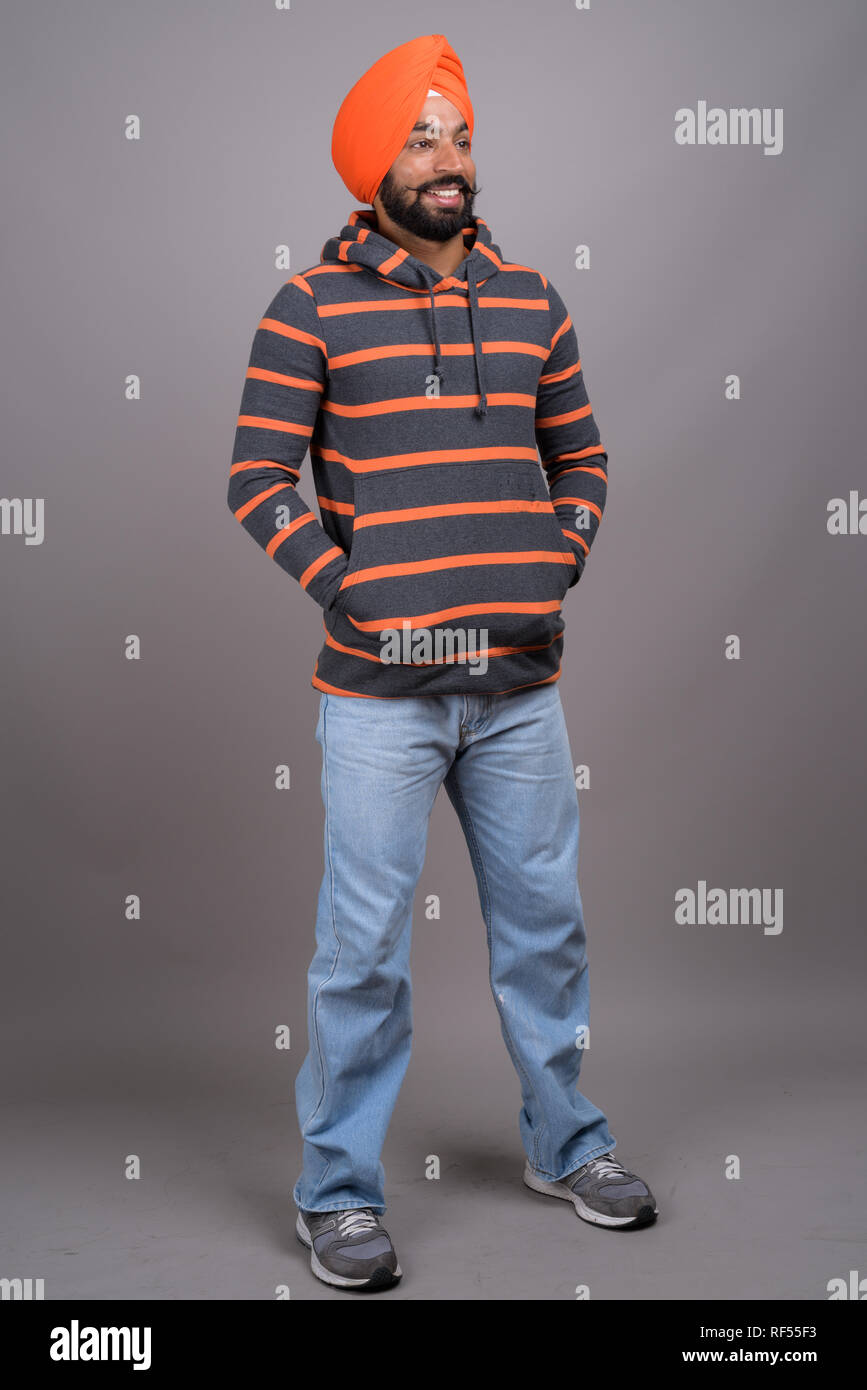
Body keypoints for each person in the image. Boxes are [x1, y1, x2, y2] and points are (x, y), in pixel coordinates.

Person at [227, 32, 657, 1293]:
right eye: (420, 136)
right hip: (379, 696)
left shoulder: (534, 301)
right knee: (362, 951)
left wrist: (555, 559)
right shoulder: (308, 305)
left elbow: (586, 459)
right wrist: (346, 584)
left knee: (547, 934)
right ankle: (338, 1196)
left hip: (521, 692)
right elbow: (256, 476)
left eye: (459, 133)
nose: (448, 158)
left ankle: (567, 1143)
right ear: (374, 164)